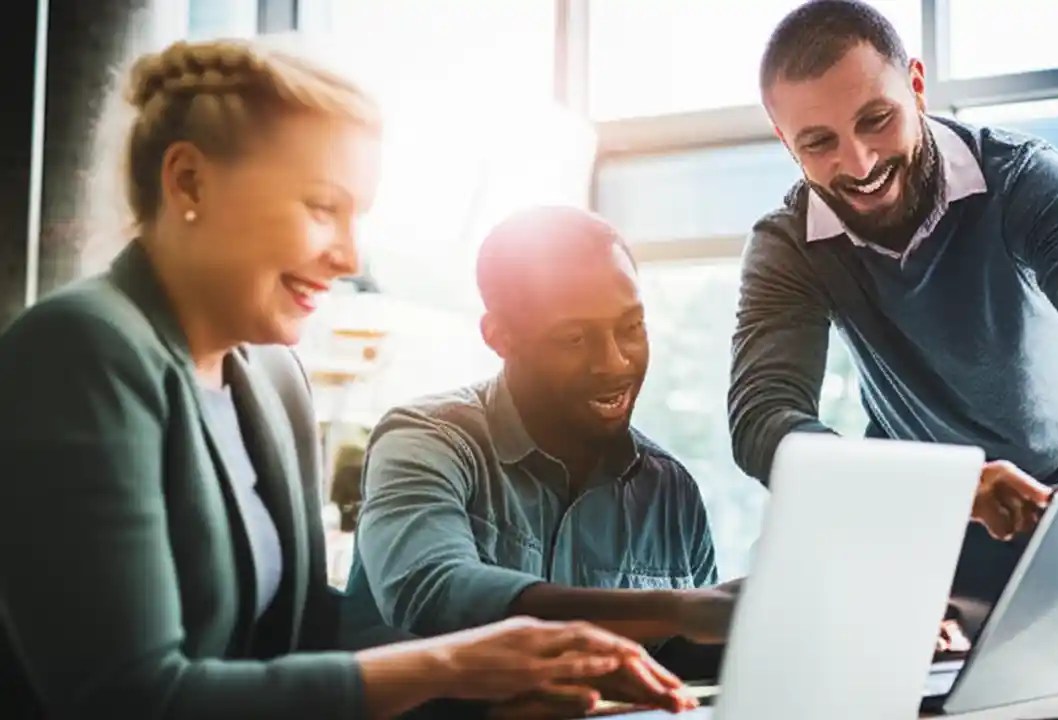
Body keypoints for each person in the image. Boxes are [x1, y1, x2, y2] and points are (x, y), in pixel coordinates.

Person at [0, 39, 682, 719]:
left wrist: (512, 680)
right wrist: (452, 664)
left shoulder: (270, 376)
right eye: (324, 208)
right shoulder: (77, 352)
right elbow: (131, 699)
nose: (349, 255)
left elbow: (291, 640)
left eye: (358, 217)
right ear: (189, 182)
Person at [730, 0, 1058, 616]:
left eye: (877, 119)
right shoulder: (787, 245)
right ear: (784, 140)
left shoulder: (1020, 178)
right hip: (930, 513)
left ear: (918, 86)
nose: (860, 163)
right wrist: (942, 491)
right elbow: (764, 417)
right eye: (819, 142)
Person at [346, 206, 737, 710]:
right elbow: (432, 587)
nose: (614, 362)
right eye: (574, 338)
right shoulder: (427, 440)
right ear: (499, 337)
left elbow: (679, 666)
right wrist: (680, 609)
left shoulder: (670, 491)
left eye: (632, 327)